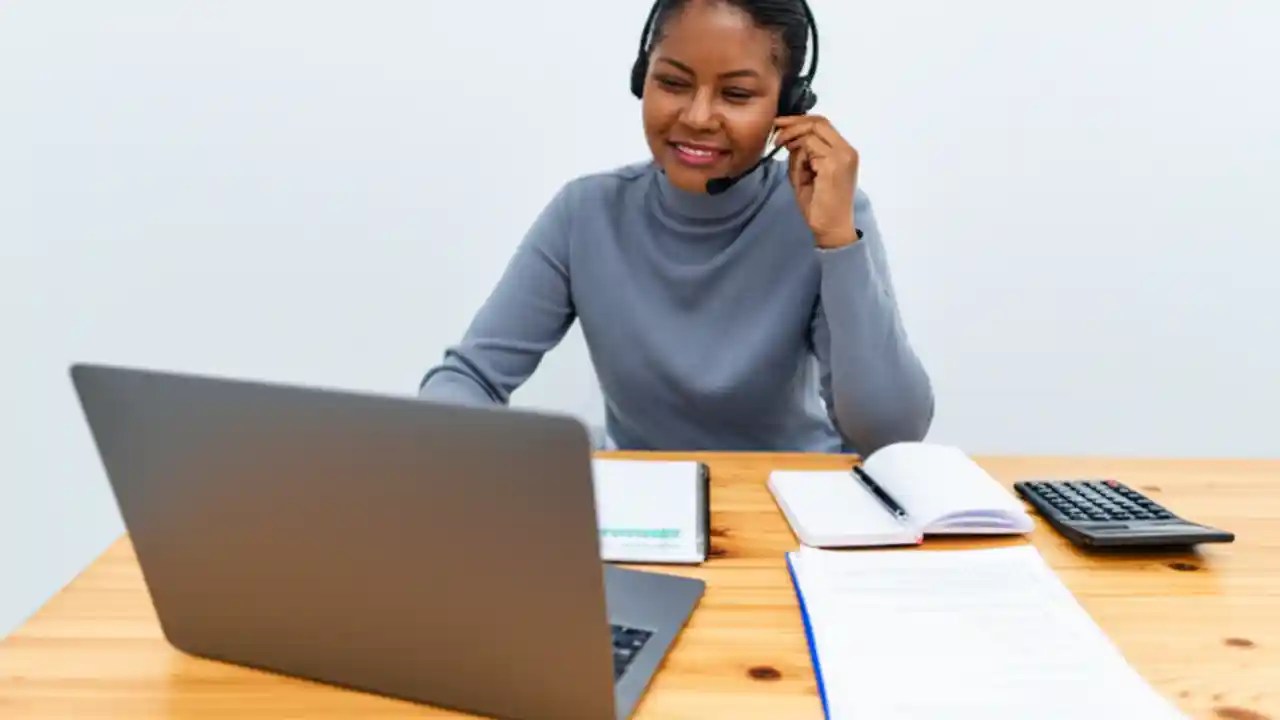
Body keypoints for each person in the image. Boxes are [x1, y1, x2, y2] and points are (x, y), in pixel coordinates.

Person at [418, 0, 933, 455]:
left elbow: (890, 437)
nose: (699, 116)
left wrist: (836, 241)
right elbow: (469, 378)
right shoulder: (586, 213)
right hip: (646, 512)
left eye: (735, 94)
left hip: (789, 508)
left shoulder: (827, 213)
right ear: (642, 77)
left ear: (788, 107)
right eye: (673, 83)